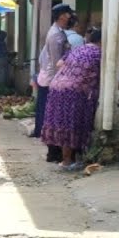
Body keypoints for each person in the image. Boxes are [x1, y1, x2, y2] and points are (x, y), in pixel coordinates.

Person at [41, 28, 106, 170]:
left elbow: (59, 64)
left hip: (57, 86)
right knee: (72, 125)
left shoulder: (77, 49)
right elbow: (107, 79)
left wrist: (72, 71)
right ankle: (67, 161)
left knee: (61, 124)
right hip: (75, 91)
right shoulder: (100, 54)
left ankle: (62, 158)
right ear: (102, 41)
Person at [34, 3, 74, 163]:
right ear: (62, 16)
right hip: (52, 80)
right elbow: (58, 62)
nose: (70, 17)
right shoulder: (56, 35)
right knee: (53, 117)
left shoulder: (58, 32)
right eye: (68, 14)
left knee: (51, 116)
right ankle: (53, 152)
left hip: (51, 79)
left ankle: (53, 152)